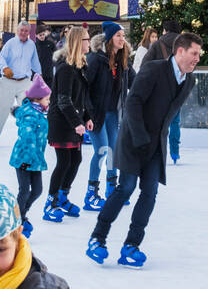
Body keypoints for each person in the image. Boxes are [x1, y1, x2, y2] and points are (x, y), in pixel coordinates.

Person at [86, 32, 201, 268]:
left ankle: (132, 245)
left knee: (149, 193)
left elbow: (169, 115)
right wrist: (139, 137)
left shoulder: (189, 80)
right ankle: (98, 238)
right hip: (133, 139)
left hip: (156, 144)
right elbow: (134, 102)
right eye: (194, 53)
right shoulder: (154, 69)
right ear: (180, 51)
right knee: (125, 188)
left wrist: (160, 141)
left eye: (199, 54)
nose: (197, 58)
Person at [83, 22, 134, 210]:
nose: (122, 39)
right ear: (110, 38)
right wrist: (86, 114)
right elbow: (85, 88)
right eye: (119, 35)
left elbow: (135, 81)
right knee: (102, 150)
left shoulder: (122, 60)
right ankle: (91, 193)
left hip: (113, 113)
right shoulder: (96, 60)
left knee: (112, 150)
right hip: (96, 113)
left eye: (123, 35)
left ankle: (112, 188)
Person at [44, 26, 93, 222]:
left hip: (75, 120)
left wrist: (87, 117)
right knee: (64, 162)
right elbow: (64, 100)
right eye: (86, 39)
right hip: (62, 122)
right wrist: (76, 123)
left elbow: (82, 98)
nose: (89, 43)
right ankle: (51, 202)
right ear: (77, 42)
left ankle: (63, 196)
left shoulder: (80, 66)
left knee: (76, 160)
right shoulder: (65, 68)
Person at [10, 75, 52, 237]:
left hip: (35, 159)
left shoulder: (39, 112)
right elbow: (27, 138)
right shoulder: (30, 115)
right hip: (24, 159)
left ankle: (20, 214)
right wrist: (27, 160)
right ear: (37, 99)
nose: (49, 102)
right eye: (47, 99)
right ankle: (17, 221)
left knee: (37, 190)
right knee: (24, 191)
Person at [0, 23, 42, 146]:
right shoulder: (10, 43)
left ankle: (27, 134)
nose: (23, 32)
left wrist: (39, 75)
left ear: (29, 32)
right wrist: (5, 68)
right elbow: (1, 58)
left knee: (27, 108)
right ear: (17, 31)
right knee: (3, 108)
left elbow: (35, 62)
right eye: (21, 30)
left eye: (26, 31)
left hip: (24, 81)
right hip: (8, 81)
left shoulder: (31, 45)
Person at [140, 20, 183, 160]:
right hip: (177, 88)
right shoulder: (184, 45)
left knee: (159, 123)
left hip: (159, 91)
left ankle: (159, 152)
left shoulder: (158, 44)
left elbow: (144, 65)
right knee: (175, 121)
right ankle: (175, 152)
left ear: (165, 30)